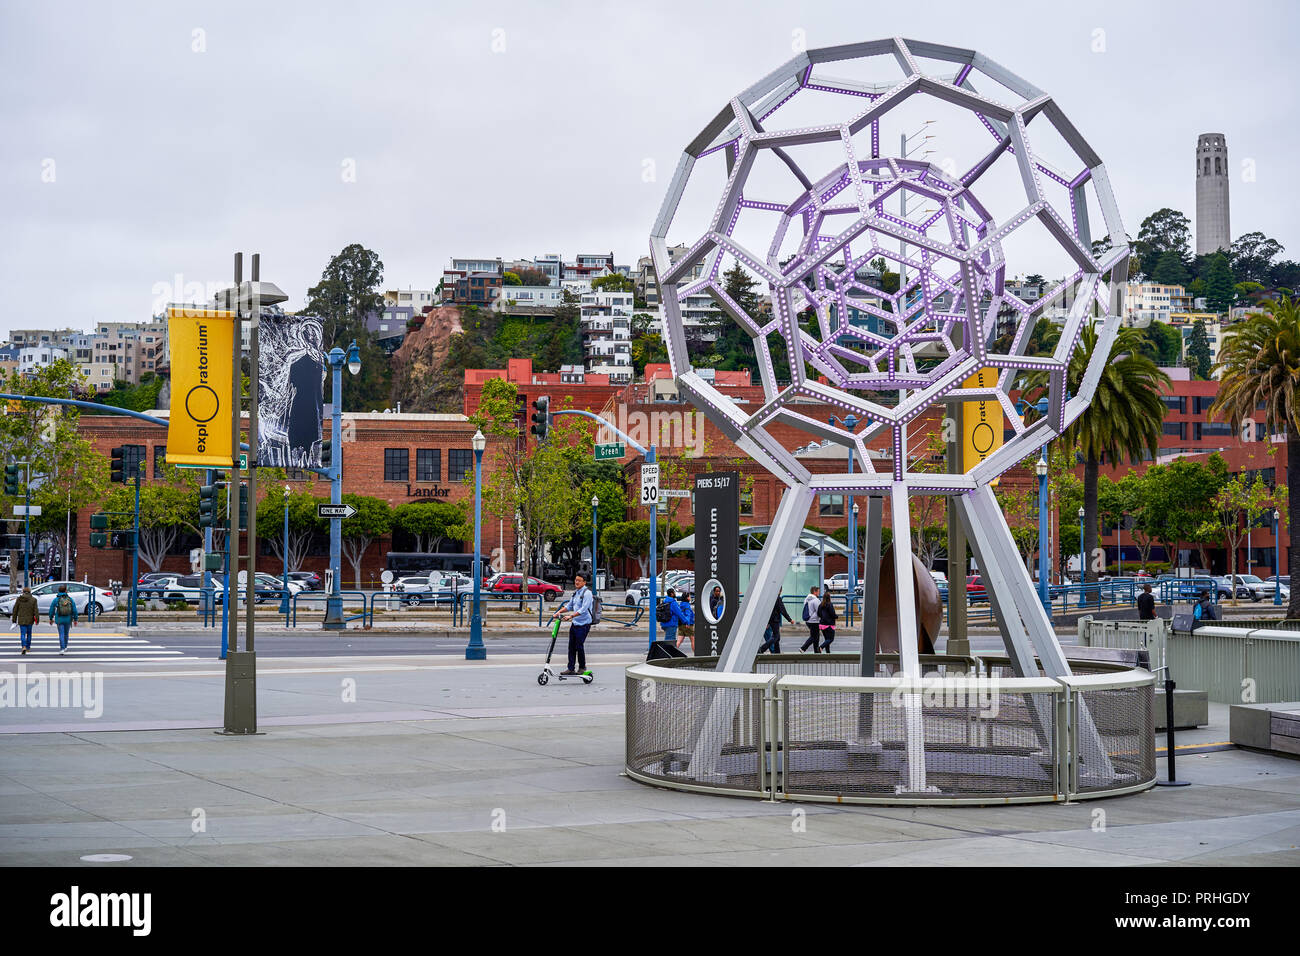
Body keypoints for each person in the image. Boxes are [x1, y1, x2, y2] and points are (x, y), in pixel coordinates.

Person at [556, 573, 593, 676]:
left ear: (584, 582)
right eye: (576, 580)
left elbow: (584, 609)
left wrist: (571, 616)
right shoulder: (575, 593)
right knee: (571, 646)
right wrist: (559, 612)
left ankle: (582, 667)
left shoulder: (587, 594)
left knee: (579, 646)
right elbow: (569, 606)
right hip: (575, 623)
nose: (576, 582)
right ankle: (570, 668)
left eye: (579, 580)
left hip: (584, 624)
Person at [49, 584, 78, 655]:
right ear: (66, 590)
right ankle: (65, 647)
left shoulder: (56, 599)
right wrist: (75, 619)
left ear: (59, 591)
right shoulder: (70, 599)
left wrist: (51, 618)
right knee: (66, 634)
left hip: (59, 619)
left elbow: (51, 610)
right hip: (68, 619)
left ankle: (62, 649)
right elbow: (74, 610)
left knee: (61, 634)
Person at [11, 586, 37, 656]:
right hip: (30, 619)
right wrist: (37, 619)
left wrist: (14, 620)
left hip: (21, 619)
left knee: (23, 634)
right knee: (29, 634)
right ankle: (28, 647)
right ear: (30, 592)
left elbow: (15, 610)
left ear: (23, 592)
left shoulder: (19, 599)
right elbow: (36, 611)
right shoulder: (33, 600)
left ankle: (23, 646)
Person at [800, 585, 822, 653]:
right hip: (814, 621)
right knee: (814, 636)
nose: (819, 593)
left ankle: (816, 650)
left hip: (808, 620)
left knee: (816, 636)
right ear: (814, 592)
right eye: (818, 591)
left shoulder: (806, 599)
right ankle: (803, 648)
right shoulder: (816, 600)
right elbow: (819, 610)